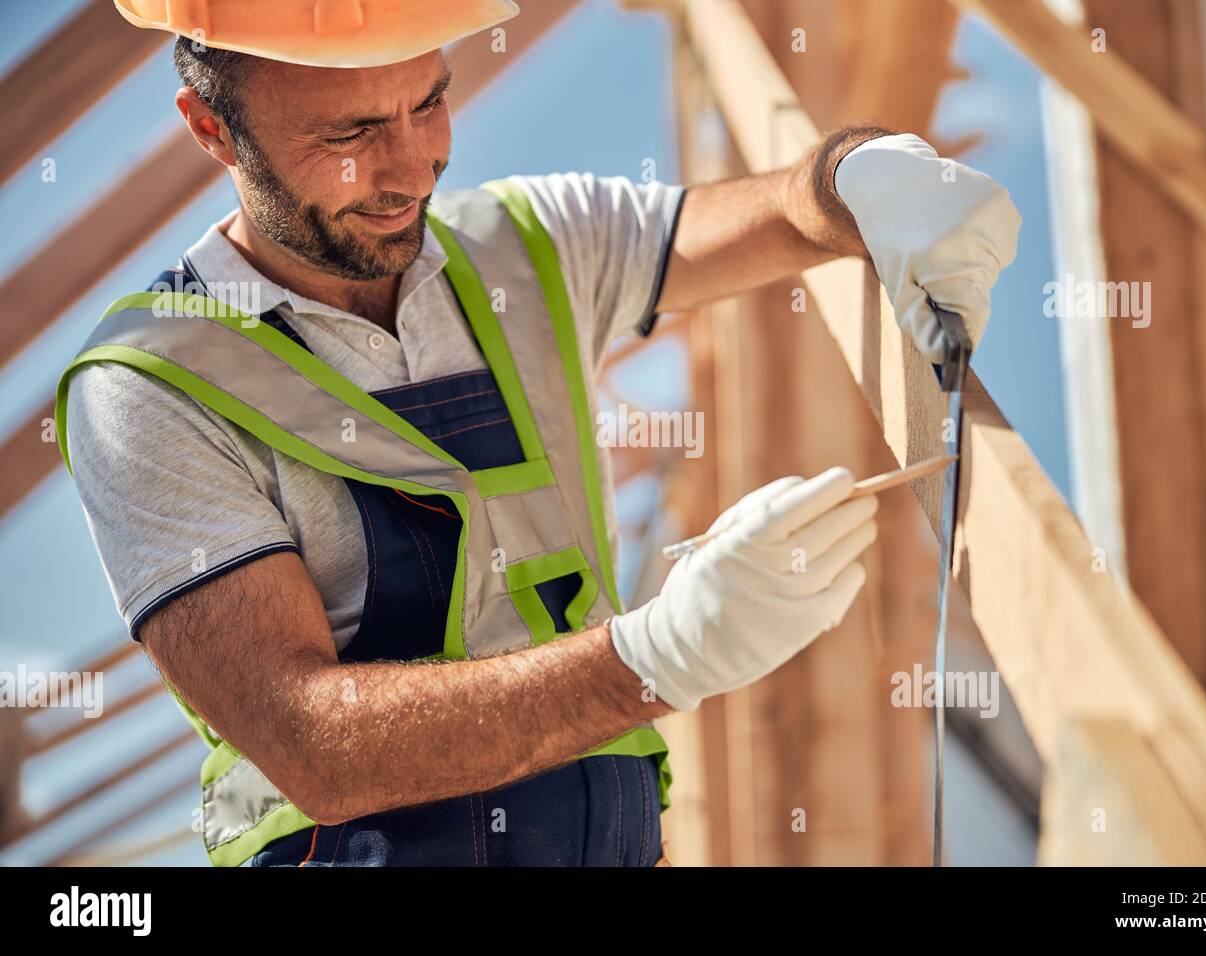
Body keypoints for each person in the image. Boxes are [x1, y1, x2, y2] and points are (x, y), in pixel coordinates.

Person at [57, 0, 1020, 866]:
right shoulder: (150, 387)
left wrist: (860, 179)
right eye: (349, 132)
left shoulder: (529, 246)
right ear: (213, 131)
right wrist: (655, 656)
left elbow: (780, 216)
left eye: (428, 103)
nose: (408, 167)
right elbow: (311, 743)